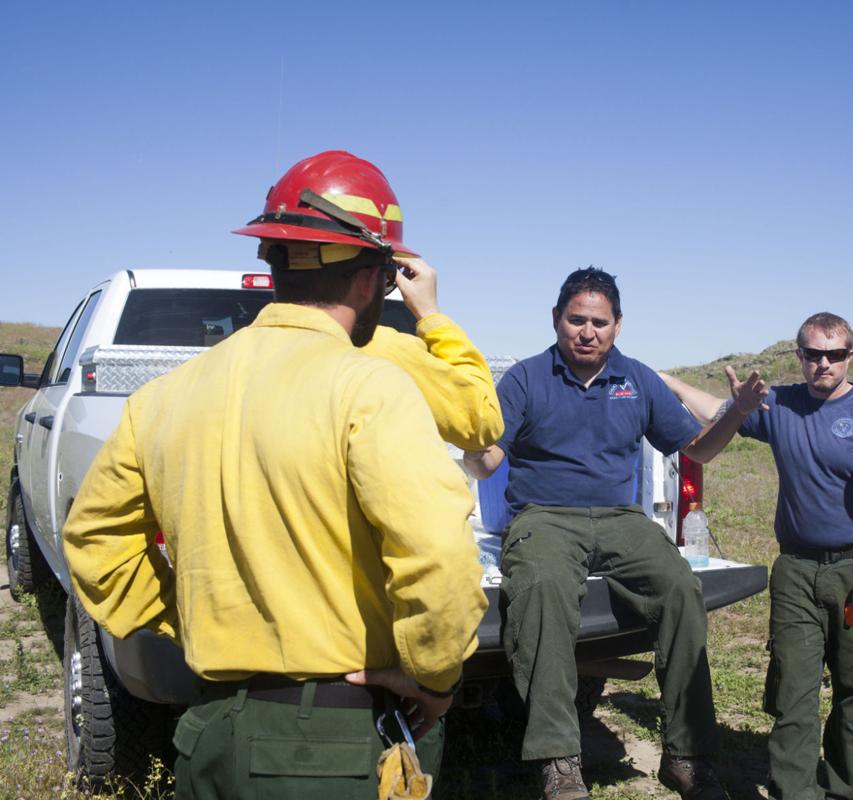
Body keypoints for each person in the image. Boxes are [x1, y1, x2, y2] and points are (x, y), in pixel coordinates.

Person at [62, 150, 489, 798]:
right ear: (374, 276)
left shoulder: (164, 396)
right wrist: (435, 678)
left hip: (208, 737)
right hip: (334, 747)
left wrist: (198, 618)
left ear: (272, 260)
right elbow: (440, 556)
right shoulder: (368, 386)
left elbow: (93, 542)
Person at [463, 267, 759, 800]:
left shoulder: (637, 379)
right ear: (557, 320)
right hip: (544, 516)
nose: (587, 331)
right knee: (543, 591)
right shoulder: (526, 378)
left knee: (680, 588)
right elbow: (487, 463)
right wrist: (471, 442)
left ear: (617, 325)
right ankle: (559, 761)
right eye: (576, 320)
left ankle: (686, 756)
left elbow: (696, 450)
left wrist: (736, 412)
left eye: (599, 322)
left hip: (620, 519)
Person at [660, 312, 853, 800]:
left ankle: (843, 788)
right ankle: (795, 791)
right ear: (799, 356)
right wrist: (668, 381)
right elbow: (716, 411)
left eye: (834, 355)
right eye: (813, 354)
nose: (823, 364)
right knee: (792, 689)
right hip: (795, 569)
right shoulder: (782, 405)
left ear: (849, 357)